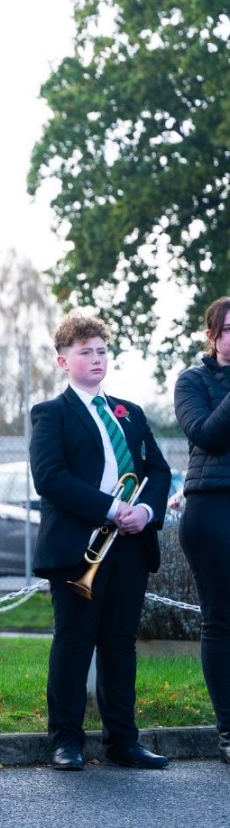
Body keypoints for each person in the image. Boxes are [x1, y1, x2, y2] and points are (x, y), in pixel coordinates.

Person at [30, 312, 171, 772]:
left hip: (130, 544)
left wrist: (145, 511)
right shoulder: (51, 414)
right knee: (74, 641)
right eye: (85, 352)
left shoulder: (129, 412)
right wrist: (111, 509)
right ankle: (66, 740)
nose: (96, 359)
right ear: (62, 361)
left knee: (119, 643)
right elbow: (50, 478)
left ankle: (122, 741)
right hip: (80, 544)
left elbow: (159, 471)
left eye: (101, 351)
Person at [173, 295, 230, 763]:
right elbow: (207, 434)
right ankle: (229, 730)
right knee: (223, 619)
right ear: (212, 336)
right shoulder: (192, 381)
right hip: (214, 509)